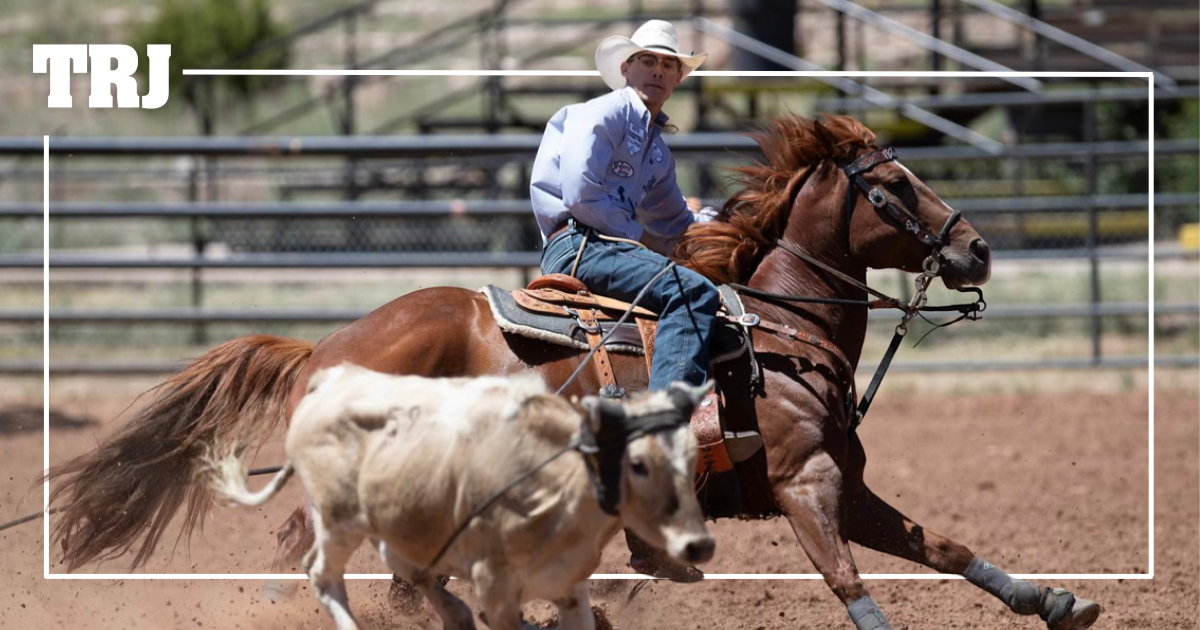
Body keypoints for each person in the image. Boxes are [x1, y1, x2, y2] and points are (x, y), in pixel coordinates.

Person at [530, 19, 721, 395]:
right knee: (693, 293)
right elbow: (579, 193)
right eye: (647, 61)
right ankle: (663, 420)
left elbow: (676, 224)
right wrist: (641, 236)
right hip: (580, 244)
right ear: (626, 69)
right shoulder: (604, 113)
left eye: (668, 65)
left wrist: (722, 226)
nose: (657, 71)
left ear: (679, 78)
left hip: (599, 247)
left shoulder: (659, 154)